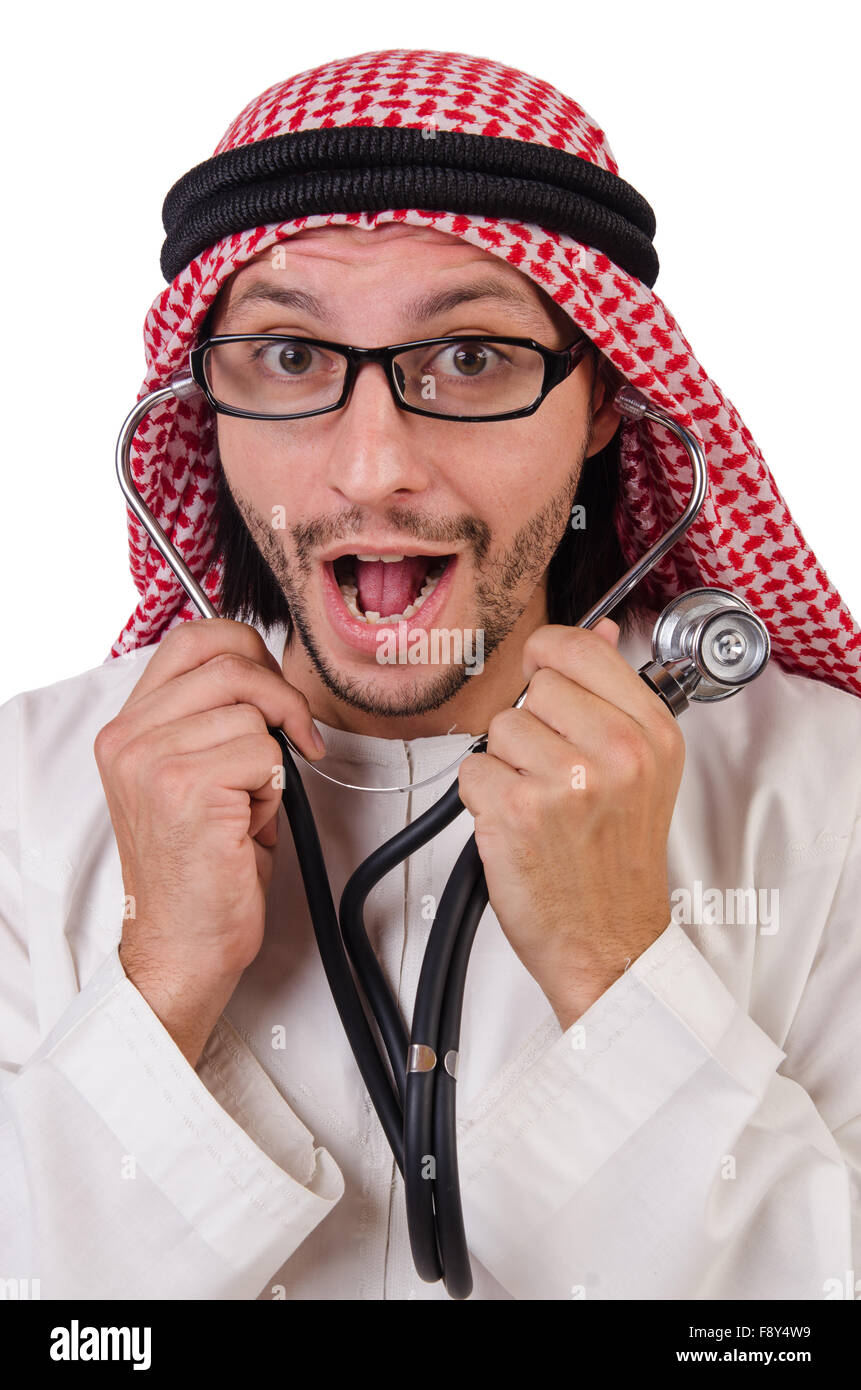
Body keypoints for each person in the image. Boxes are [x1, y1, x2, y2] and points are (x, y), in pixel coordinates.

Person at [1, 47, 859, 1303]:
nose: (373, 469)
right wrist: (158, 983)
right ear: (207, 408)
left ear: (608, 399)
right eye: (291, 358)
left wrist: (618, 968)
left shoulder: (827, 800)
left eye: (468, 357)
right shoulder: (27, 801)